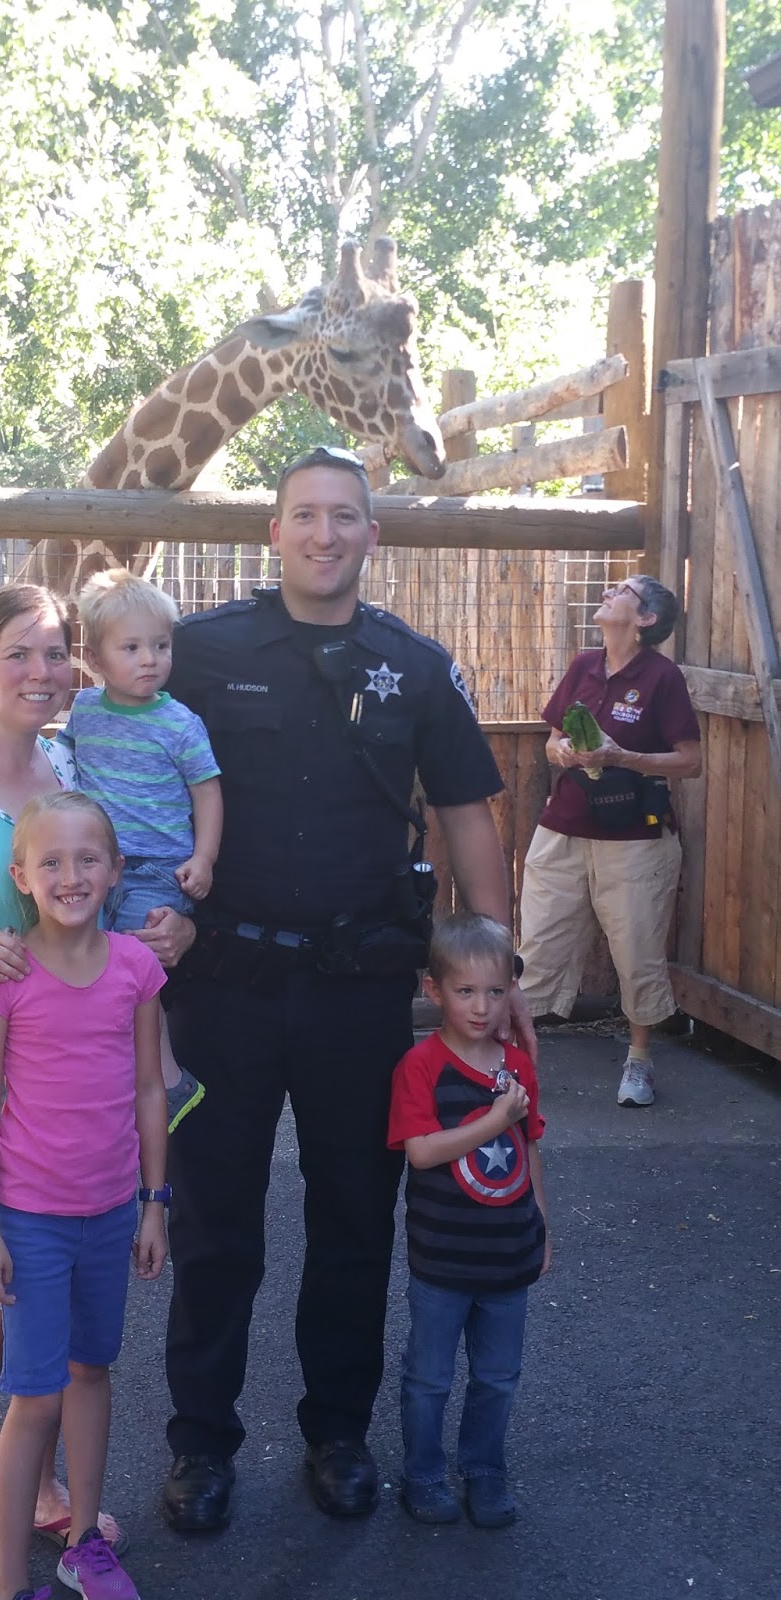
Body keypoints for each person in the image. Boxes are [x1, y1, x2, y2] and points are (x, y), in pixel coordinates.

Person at [159, 444, 535, 1533]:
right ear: (271, 533)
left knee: (356, 1219)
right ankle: (201, 1443)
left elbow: (467, 810)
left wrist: (495, 964)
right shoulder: (197, 652)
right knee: (216, 1223)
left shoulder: (414, 666)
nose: (324, 535)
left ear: (375, 536)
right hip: (222, 983)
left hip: (358, 987)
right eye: (304, 516)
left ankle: (337, 1430)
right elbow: (131, 773)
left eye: (345, 517)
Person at [0, 585, 189, 1600]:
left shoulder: (65, 765)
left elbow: (101, 886)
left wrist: (165, 927)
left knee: (37, 1322)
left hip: (80, 1096)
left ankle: (36, 1485)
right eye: (21, 652)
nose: (44, 672)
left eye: (58, 653)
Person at [0, 791, 169, 1600]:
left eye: (89, 859)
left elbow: (151, 1089)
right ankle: (12, 1584)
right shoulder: (4, 978)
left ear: (115, 873)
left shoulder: (135, 968)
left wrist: (156, 1202)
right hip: (31, 1222)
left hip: (112, 1213)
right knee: (34, 1401)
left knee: (92, 1373)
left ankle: (86, 1543)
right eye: (51, 861)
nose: (72, 875)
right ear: (22, 876)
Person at [387, 914, 550, 1527]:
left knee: (498, 1378)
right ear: (434, 990)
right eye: (465, 991)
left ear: (511, 989)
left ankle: (484, 1471)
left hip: (509, 1256)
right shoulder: (422, 1067)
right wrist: (495, 1115)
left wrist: (542, 1224)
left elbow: (530, 1147)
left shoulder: (517, 1065)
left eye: (495, 991)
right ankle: (424, 1475)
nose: (481, 1007)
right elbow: (422, 1151)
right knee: (429, 1379)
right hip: (441, 1260)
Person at [517, 575, 701, 1108]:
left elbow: (690, 761)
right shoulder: (583, 666)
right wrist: (566, 754)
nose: (608, 592)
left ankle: (638, 1063)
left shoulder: (662, 677)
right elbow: (552, 738)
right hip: (562, 831)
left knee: (637, 952)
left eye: (622, 590)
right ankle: (514, 1069)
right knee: (538, 947)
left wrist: (621, 758)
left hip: (635, 840)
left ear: (645, 620)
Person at [58, 569, 223, 1131]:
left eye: (160, 645)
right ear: (98, 658)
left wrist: (203, 859)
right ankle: (114, 1073)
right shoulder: (83, 711)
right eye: (131, 647)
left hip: (155, 871)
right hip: (94, 867)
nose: (149, 658)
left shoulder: (180, 724)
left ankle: (169, 1079)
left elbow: (208, 792)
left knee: (129, 966)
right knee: (81, 962)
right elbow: (57, 769)